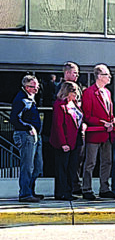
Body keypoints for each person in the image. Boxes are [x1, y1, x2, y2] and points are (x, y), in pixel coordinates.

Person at [82, 64, 115, 200]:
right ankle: (87, 188)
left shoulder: (107, 92)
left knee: (107, 161)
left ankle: (105, 187)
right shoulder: (89, 92)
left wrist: (113, 121)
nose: (109, 77)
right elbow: (87, 115)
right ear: (99, 76)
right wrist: (102, 123)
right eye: (106, 75)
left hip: (107, 134)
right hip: (94, 133)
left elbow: (110, 113)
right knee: (90, 162)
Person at [12, 75, 44, 203]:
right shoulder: (21, 99)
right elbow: (14, 118)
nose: (36, 89)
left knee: (38, 166)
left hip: (35, 135)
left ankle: (31, 190)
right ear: (26, 87)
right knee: (28, 165)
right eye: (33, 87)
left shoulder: (31, 98)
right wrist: (28, 127)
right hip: (25, 135)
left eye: (37, 86)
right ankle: (25, 193)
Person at [51, 81, 83, 201]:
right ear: (67, 92)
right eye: (74, 92)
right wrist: (63, 143)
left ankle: (69, 191)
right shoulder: (59, 105)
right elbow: (58, 126)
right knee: (62, 168)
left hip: (75, 140)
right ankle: (61, 192)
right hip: (64, 142)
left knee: (71, 168)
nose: (76, 94)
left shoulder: (74, 104)